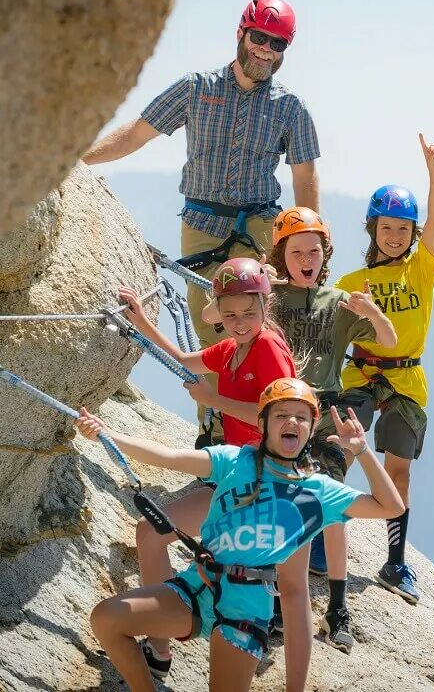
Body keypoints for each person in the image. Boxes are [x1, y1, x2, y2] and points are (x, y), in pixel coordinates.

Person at [82, 0, 320, 438]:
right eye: (259, 38)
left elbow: (305, 179)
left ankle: (275, 434)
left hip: (261, 224)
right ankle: (214, 430)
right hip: (203, 222)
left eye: (278, 44)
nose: (266, 50)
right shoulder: (196, 88)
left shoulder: (290, 108)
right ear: (241, 34)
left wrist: (308, 242)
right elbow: (136, 134)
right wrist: (74, 161)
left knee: (261, 327)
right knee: (212, 325)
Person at [76, 378, 404, 692]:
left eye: (301, 417)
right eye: (281, 414)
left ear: (311, 429)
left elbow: (391, 506)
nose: (292, 421)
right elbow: (168, 457)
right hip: (196, 587)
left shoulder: (318, 491)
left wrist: (362, 452)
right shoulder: (235, 460)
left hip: (246, 609)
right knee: (107, 619)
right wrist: (108, 436)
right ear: (263, 425)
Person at [116, 257, 298, 677]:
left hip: (264, 481)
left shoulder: (268, 348)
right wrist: (141, 321)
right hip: (237, 472)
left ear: (265, 308)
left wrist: (213, 401)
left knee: (177, 545)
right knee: (151, 533)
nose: (238, 322)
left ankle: (218, 641)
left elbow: (284, 417)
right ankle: (160, 649)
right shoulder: (234, 348)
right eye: (230, 314)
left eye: (249, 313)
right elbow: (185, 358)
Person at [264, 205, 397, 651]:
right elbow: (215, 318)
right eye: (297, 251)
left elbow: (389, 340)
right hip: (282, 410)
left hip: (327, 414)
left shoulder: (338, 304)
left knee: (332, 501)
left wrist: (373, 313)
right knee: (285, 496)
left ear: (326, 254)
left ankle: (337, 608)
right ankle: (280, 600)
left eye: (314, 251)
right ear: (282, 256)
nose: (307, 259)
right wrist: (255, 282)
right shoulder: (271, 297)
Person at [333, 134, 434, 605]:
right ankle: (322, 545)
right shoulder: (351, 283)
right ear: (372, 229)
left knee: (398, 473)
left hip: (405, 379)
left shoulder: (420, 268)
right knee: (334, 456)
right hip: (360, 374)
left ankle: (395, 562)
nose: (395, 236)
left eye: (403, 229)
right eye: (387, 227)